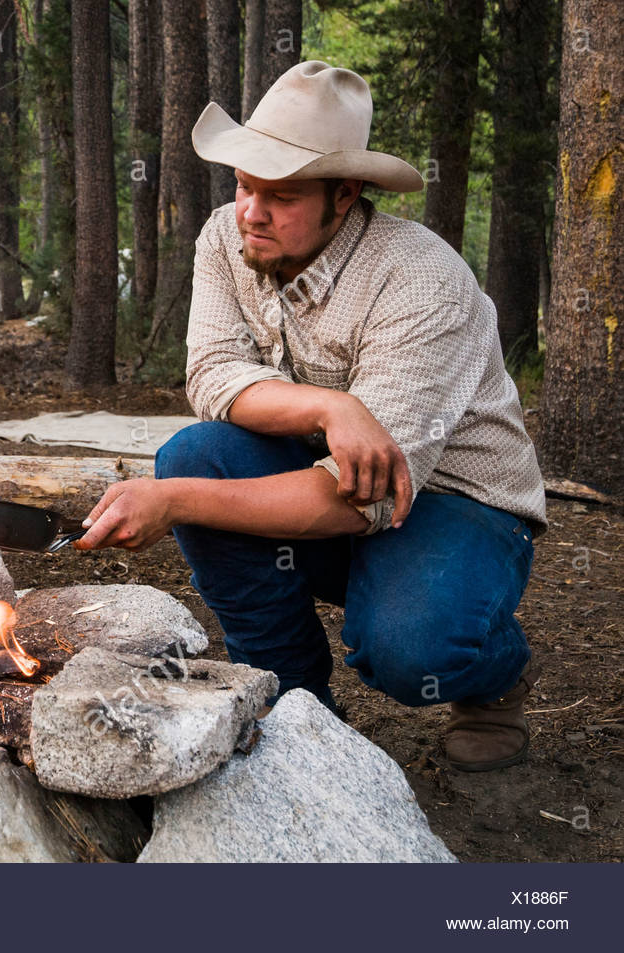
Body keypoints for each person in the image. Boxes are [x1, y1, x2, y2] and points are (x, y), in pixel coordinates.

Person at [76, 61, 546, 772]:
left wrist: (172, 503)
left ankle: (499, 675)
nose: (251, 212)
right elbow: (210, 375)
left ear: (345, 194)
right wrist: (331, 406)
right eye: (244, 184)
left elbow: (369, 497)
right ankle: (294, 702)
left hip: (459, 505)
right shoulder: (225, 239)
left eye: (282, 195)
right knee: (195, 452)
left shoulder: (422, 280)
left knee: (409, 646)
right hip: (321, 479)